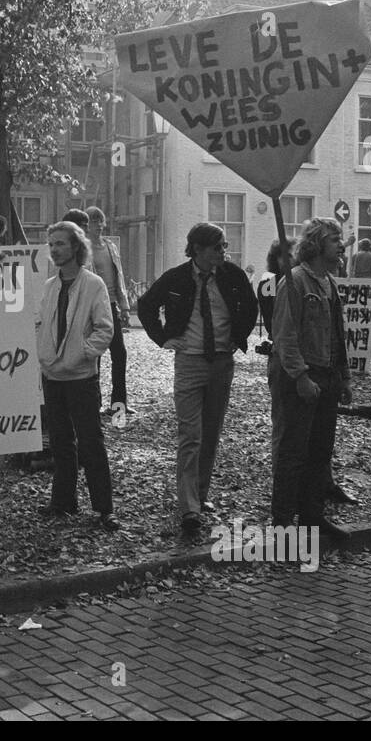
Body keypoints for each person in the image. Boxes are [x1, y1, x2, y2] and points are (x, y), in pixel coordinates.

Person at [138, 222, 257, 539]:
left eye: (224, 247)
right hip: (189, 361)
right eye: (217, 247)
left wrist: (238, 337)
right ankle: (189, 507)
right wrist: (163, 338)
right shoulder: (177, 277)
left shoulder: (232, 276)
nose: (223, 252)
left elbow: (251, 305)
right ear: (199, 249)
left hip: (221, 361)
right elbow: (147, 305)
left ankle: (201, 495)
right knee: (190, 433)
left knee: (211, 431)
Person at [269, 217, 353, 542]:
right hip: (301, 377)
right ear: (317, 243)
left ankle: (312, 517)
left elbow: (337, 334)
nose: (341, 244)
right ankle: (282, 522)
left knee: (320, 450)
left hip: (327, 377)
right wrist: (300, 376)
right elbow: (285, 336)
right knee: (293, 451)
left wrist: (343, 377)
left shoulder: (329, 283)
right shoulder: (295, 282)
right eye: (334, 239)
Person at [36, 221, 119, 532]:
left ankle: (103, 508)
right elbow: (40, 323)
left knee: (91, 441)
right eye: (52, 243)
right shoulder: (49, 286)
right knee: (60, 441)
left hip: (82, 377)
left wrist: (82, 353)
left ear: (76, 247)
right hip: (52, 375)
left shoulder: (93, 284)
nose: (55, 249)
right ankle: (63, 501)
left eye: (60, 243)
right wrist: (44, 351)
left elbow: (105, 329)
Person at [85, 206, 132, 418]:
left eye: (100, 221)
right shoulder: (84, 248)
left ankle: (119, 404)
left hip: (111, 303)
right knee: (95, 355)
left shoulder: (110, 247)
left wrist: (124, 306)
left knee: (119, 353)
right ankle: (94, 402)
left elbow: (118, 276)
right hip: (93, 305)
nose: (98, 225)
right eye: (93, 221)